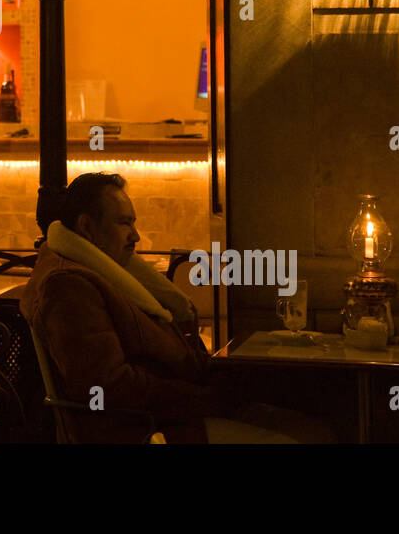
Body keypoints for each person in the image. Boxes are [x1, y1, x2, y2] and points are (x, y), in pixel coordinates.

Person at [21, 172, 330, 443]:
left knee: (314, 430)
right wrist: (204, 399)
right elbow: (106, 386)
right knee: (301, 436)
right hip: (142, 430)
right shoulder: (70, 286)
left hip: (168, 415)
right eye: (124, 223)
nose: (136, 236)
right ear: (87, 227)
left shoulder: (100, 272)